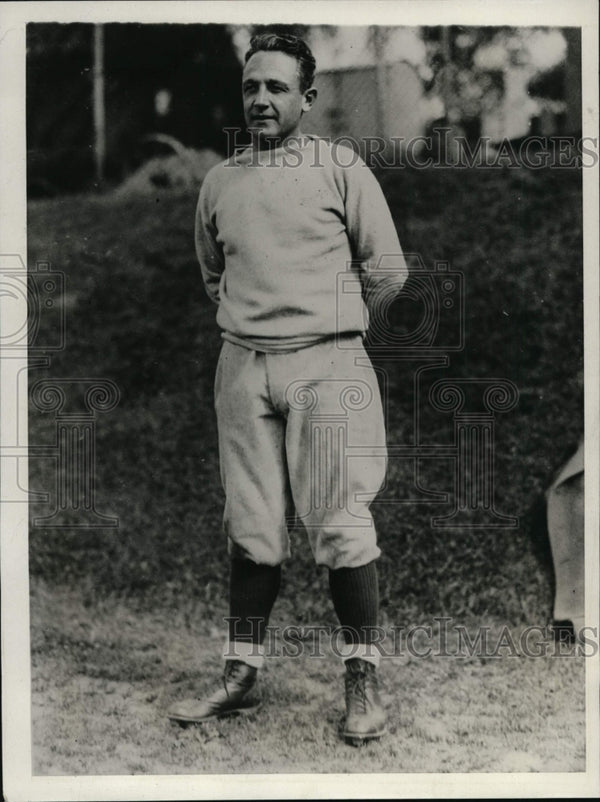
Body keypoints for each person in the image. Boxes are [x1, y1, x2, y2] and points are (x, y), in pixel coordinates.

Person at [167, 32, 407, 744]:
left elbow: (388, 269)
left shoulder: (340, 168)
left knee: (340, 525)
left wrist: (336, 330)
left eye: (276, 88)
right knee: (253, 527)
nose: (262, 100)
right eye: (251, 87)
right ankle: (242, 674)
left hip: (327, 366)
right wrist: (252, 326)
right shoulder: (220, 182)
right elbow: (215, 276)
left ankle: (362, 679)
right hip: (243, 367)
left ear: (307, 97)